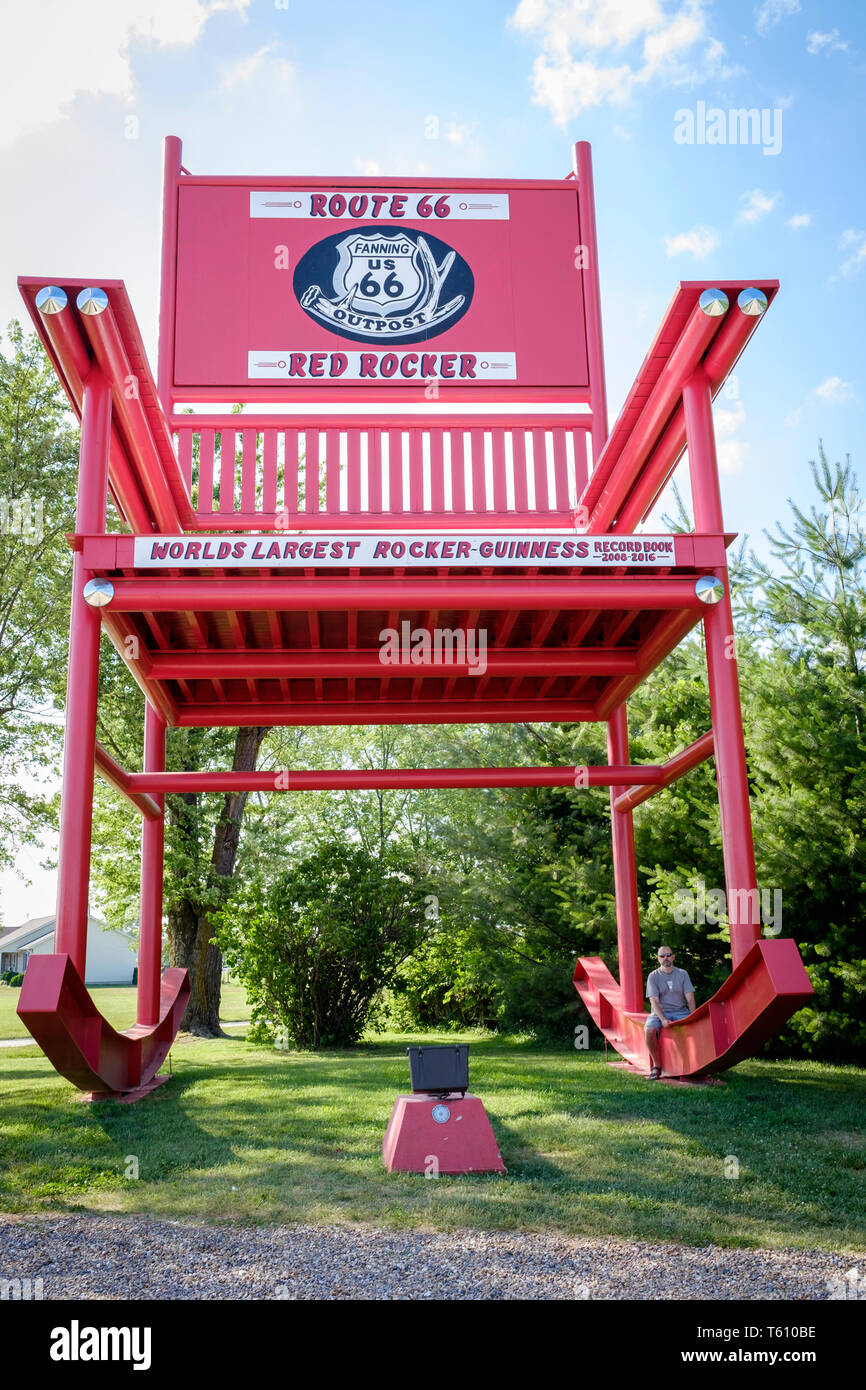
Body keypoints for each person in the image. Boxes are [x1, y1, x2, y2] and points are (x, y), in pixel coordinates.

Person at [644, 945, 696, 1079]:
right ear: (658, 959)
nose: (665, 958)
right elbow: (654, 1001)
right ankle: (657, 1066)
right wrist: (662, 1019)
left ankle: (691, 1063)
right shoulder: (653, 976)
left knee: (693, 1029)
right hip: (659, 1013)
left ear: (673, 957)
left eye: (668, 955)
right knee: (649, 1030)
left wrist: (694, 1017)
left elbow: (690, 997)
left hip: (680, 1011)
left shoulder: (682, 974)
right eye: (662, 956)